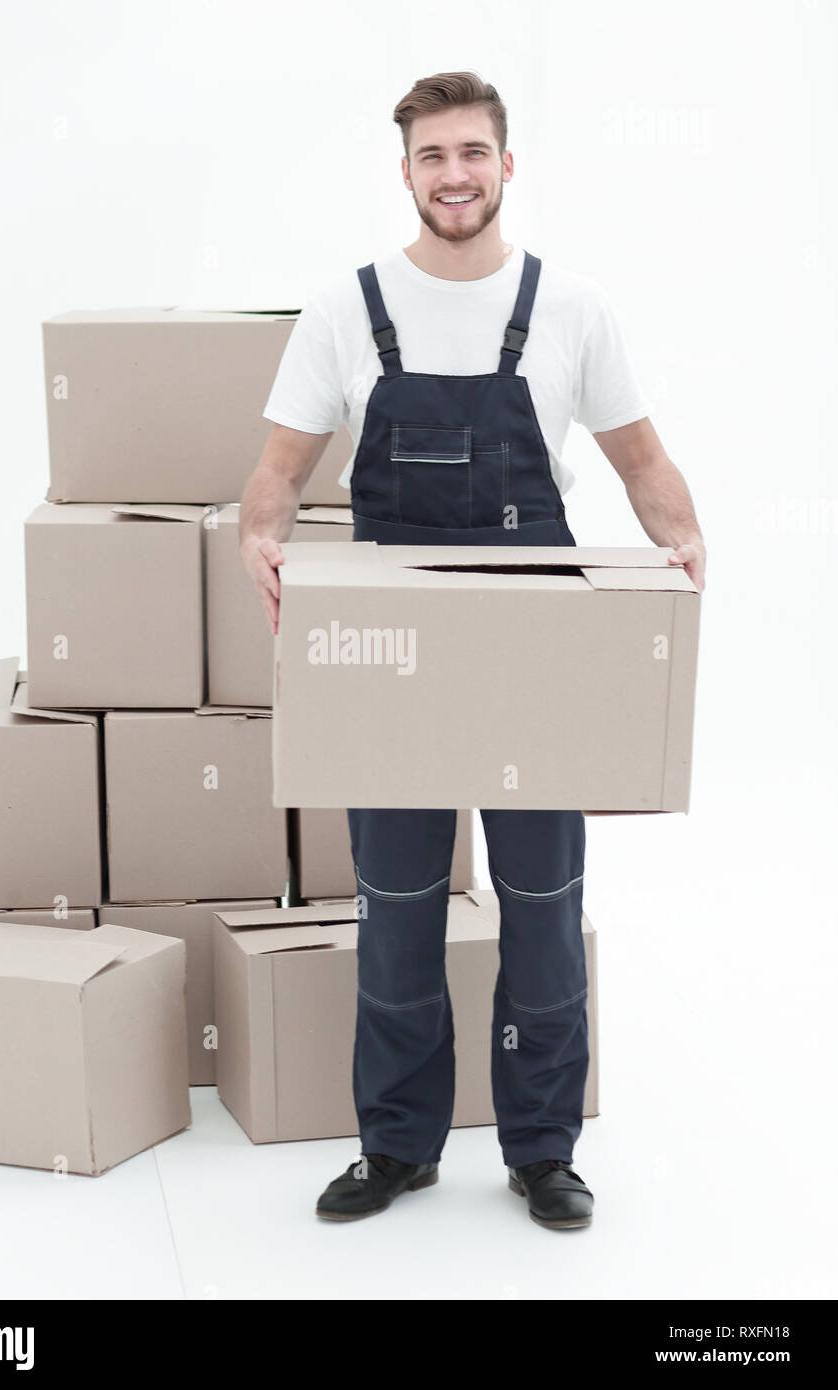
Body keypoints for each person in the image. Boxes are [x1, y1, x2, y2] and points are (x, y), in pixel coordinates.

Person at [239, 70, 706, 1228]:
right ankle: (396, 1144)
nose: (455, 175)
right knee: (395, 907)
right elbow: (279, 473)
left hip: (534, 653)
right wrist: (260, 540)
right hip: (392, 653)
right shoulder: (346, 309)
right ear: (405, 173)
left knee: (542, 904)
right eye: (433, 156)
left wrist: (686, 549)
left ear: (508, 166)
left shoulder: (573, 309)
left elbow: (641, 463)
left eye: (474, 153)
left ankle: (544, 1148)